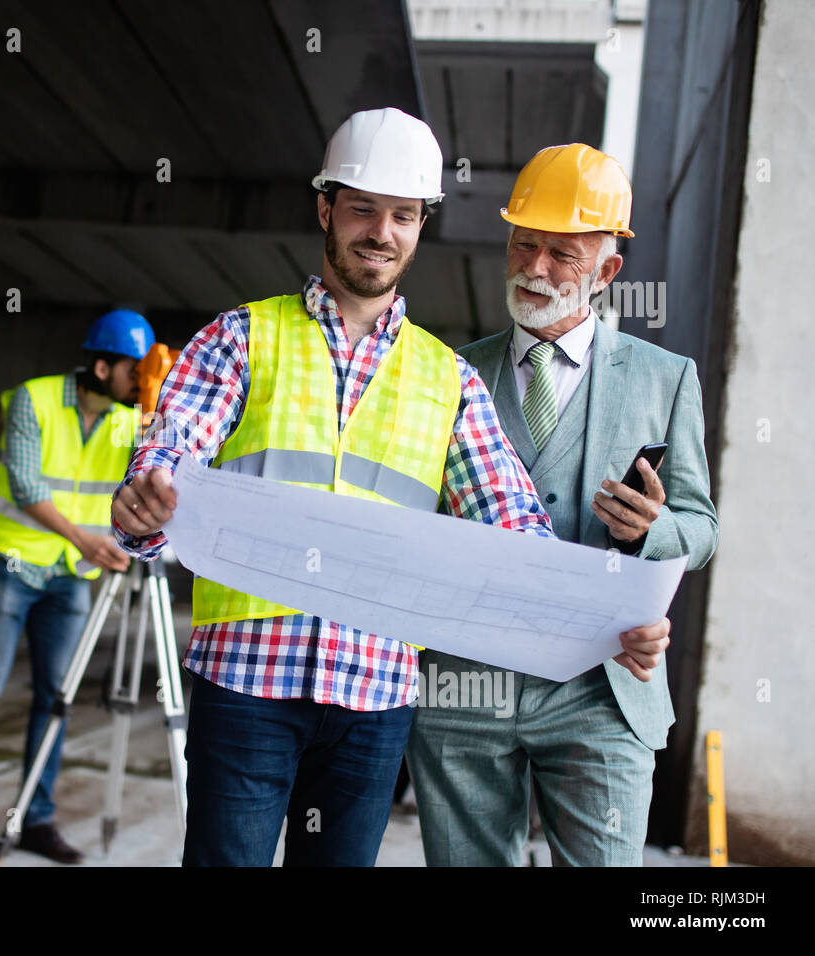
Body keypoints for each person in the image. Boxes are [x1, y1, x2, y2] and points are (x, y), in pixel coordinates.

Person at [111, 109, 672, 866]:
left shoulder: (448, 379)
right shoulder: (244, 336)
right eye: (363, 209)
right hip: (246, 680)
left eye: (403, 215)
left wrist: (612, 620)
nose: (381, 231)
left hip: (373, 698)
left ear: (419, 227)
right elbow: (172, 449)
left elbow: (516, 528)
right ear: (325, 210)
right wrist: (147, 496)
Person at [406, 143, 719, 866]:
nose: (535, 269)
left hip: (603, 687)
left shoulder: (665, 378)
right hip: (465, 684)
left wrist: (655, 530)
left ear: (607, 271)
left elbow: (701, 528)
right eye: (524, 245)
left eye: (563, 255)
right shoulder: (447, 374)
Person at [0, 309, 155, 864]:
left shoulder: (133, 422)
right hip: (14, 564)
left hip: (69, 579)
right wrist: (85, 540)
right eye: (137, 367)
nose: (144, 377)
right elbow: (28, 486)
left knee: (55, 699)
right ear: (102, 366)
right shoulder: (32, 400)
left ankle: (37, 817)